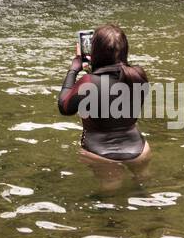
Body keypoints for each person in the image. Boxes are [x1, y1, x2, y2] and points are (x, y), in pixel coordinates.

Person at [56, 24, 152, 190]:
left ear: (95, 52)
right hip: (139, 150)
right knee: (143, 186)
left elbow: (64, 107)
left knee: (110, 196)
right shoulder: (138, 75)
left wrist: (73, 70)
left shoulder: (88, 82)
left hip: (102, 154)